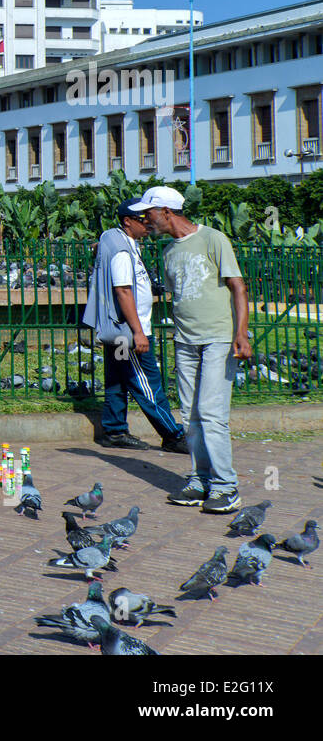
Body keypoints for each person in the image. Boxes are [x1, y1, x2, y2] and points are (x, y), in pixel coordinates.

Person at [129, 186, 251, 514]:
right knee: (191, 415)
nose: (146, 220)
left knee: (211, 413)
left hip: (217, 339)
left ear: (167, 211)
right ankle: (199, 480)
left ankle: (226, 487)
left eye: (149, 213)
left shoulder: (213, 239)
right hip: (185, 342)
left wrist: (241, 333)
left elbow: (238, 286)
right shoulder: (168, 252)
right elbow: (180, 296)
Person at [82, 198, 188, 452]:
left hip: (119, 332)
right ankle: (173, 435)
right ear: (127, 222)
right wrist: (138, 332)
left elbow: (101, 242)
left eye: (149, 218)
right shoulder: (121, 250)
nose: (149, 224)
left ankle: (114, 431)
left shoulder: (118, 240)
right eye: (143, 220)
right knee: (147, 383)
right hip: (128, 332)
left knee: (117, 380)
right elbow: (123, 291)